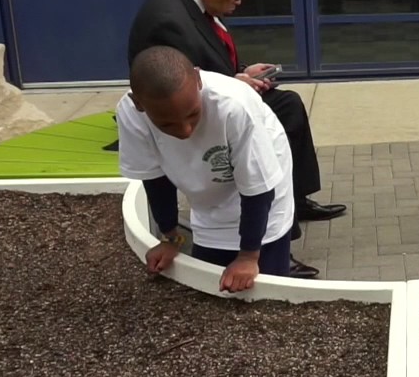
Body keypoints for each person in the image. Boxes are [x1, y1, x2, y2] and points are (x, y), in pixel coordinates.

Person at [126, 0, 344, 279]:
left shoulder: (193, 6)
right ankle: (273, 238)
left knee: (285, 114)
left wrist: (240, 74)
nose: (238, 4)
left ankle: (284, 228)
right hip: (199, 104)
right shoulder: (166, 21)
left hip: (222, 102)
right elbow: (171, 82)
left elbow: (199, 72)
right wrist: (170, 235)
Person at [117, 46, 295, 293]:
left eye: (193, 114)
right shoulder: (130, 115)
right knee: (208, 282)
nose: (185, 130)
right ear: (138, 104)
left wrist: (248, 257)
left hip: (262, 187)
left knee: (265, 289)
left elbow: (258, 191)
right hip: (207, 189)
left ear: (199, 80)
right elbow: (156, 180)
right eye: (166, 123)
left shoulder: (233, 106)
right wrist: (170, 238)